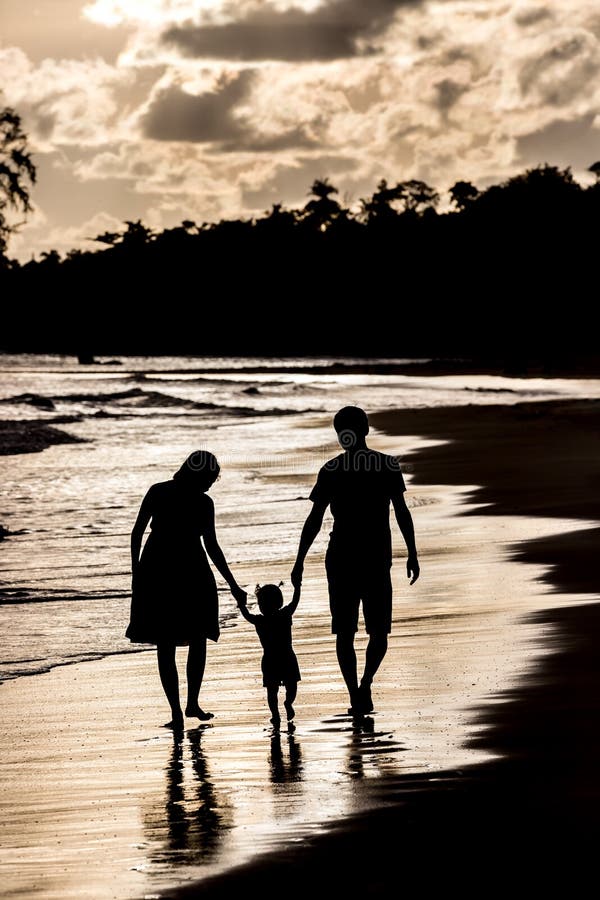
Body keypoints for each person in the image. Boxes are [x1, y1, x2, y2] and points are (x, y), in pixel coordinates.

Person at [291, 406, 419, 716]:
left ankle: (355, 692)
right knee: (378, 630)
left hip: (343, 557)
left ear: (341, 434)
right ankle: (364, 686)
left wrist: (300, 561)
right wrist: (412, 552)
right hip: (375, 555)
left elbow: (314, 520)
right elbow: (401, 510)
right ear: (367, 429)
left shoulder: (332, 469)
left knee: (345, 632)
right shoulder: (386, 465)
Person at [127, 450, 247, 731]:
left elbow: (137, 533)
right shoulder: (200, 501)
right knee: (194, 637)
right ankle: (185, 706)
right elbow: (211, 546)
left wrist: (137, 571)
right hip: (187, 569)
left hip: (160, 567)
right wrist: (232, 584)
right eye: (210, 478)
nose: (210, 484)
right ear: (199, 474)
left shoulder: (162, 492)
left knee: (169, 642)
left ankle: (183, 709)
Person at [237, 582, 301, 729]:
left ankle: (278, 712)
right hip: (287, 657)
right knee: (290, 686)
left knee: (273, 691)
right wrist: (298, 587)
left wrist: (241, 604)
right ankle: (285, 705)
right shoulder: (284, 614)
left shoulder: (261, 620)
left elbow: (247, 615)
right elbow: (295, 601)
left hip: (271, 660)